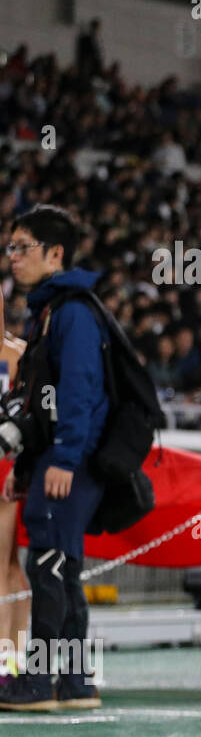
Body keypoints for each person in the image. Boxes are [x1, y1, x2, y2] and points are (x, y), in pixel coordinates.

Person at [0, 205, 107, 713]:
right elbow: (42, 400)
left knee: (47, 564)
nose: (13, 258)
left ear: (55, 253)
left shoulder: (72, 313)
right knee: (60, 566)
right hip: (59, 460)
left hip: (72, 461)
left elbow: (80, 390)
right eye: (11, 248)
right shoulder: (50, 312)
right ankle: (76, 682)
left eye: (22, 247)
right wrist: (26, 471)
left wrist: (64, 459)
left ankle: (39, 684)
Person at [0, 282, 29, 684]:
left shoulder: (18, 355)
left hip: (7, 469)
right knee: (8, 564)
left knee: (4, 561)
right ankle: (16, 661)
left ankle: (9, 662)